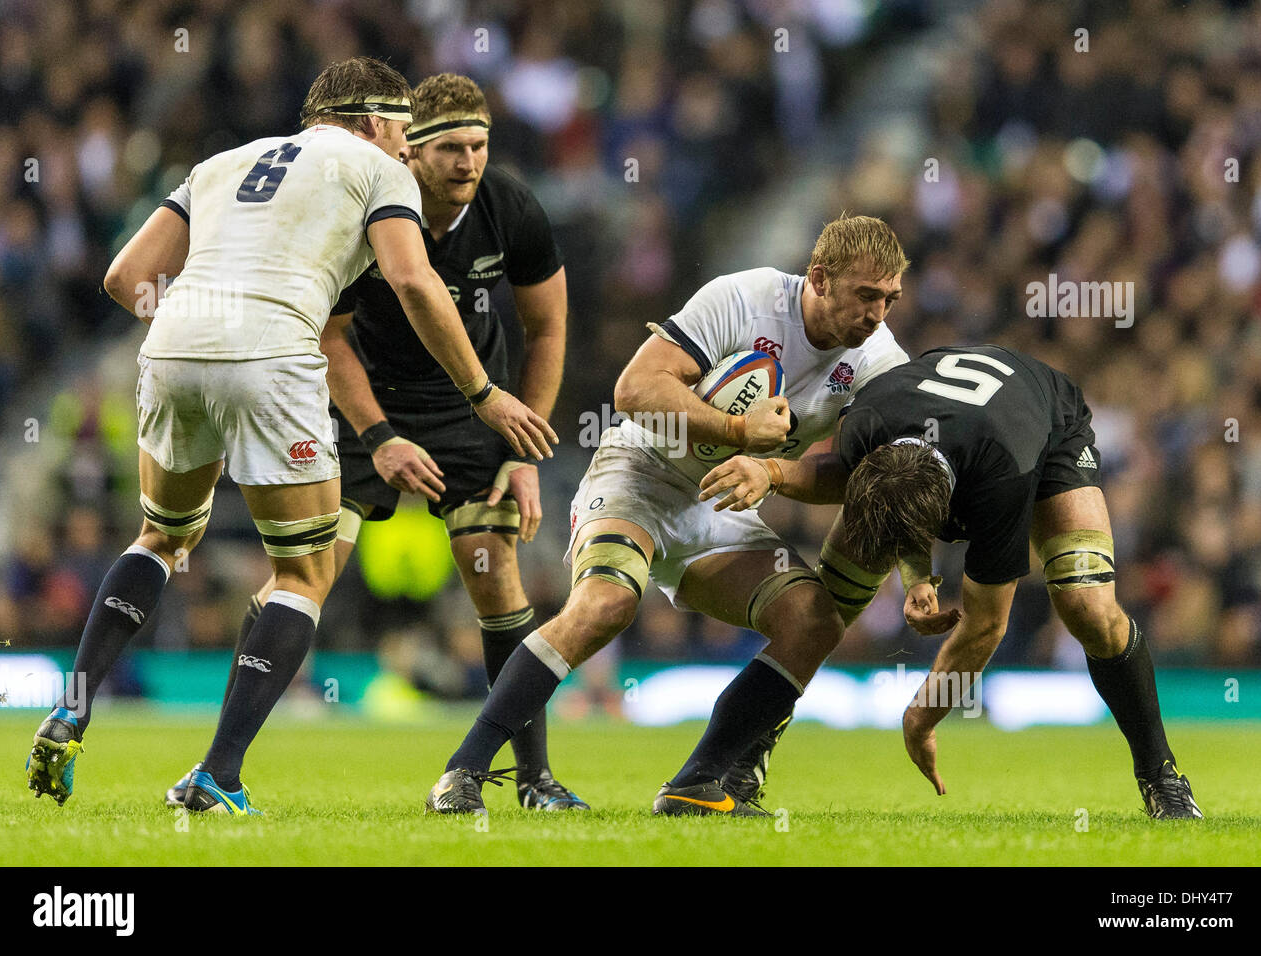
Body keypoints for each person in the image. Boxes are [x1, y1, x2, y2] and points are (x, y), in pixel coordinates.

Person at [26, 57, 556, 814]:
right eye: (404, 133)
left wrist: (201, 323)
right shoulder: (380, 171)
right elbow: (412, 281)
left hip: (174, 343)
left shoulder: (220, 163)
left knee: (161, 537)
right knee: (302, 575)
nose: (408, 150)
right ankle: (219, 775)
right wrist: (483, 392)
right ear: (374, 123)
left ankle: (72, 706)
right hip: (273, 353)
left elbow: (124, 276)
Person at [164, 72, 583, 811]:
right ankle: (216, 767)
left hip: (469, 418)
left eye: (479, 145)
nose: (468, 162)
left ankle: (535, 779)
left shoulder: (509, 207)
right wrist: (379, 435)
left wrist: (524, 452)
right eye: (449, 147)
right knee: (304, 576)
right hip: (367, 413)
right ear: (409, 152)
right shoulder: (368, 203)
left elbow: (546, 327)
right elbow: (332, 339)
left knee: (496, 579)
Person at [425, 214, 911, 816]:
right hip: (640, 473)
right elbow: (635, 389)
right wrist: (737, 430)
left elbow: (869, 474)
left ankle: (699, 785)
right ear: (819, 278)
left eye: (889, 300)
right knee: (606, 603)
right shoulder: (745, 298)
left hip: (721, 503)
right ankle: (462, 771)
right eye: (866, 296)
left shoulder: (880, 361)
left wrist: (776, 473)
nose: (877, 315)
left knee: (813, 622)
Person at [706, 344, 1203, 819]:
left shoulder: (1000, 480)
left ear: (950, 519)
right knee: (818, 615)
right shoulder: (863, 423)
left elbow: (986, 625)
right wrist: (772, 473)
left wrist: (922, 716)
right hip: (941, 417)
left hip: (1046, 426)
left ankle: (1161, 775)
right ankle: (743, 762)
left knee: (1088, 610)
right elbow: (861, 483)